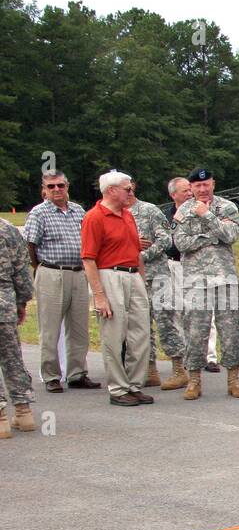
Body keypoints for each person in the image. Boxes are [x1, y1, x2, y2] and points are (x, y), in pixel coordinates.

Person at [172, 166, 239, 400]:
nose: (202, 189)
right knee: (195, 331)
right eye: (197, 186)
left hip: (225, 278)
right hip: (195, 280)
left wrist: (208, 216)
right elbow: (180, 243)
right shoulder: (183, 211)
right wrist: (210, 236)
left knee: (231, 330)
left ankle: (233, 378)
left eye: (206, 184)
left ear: (213, 184)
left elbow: (231, 236)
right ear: (191, 188)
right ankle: (193, 379)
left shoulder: (227, 207)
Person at [81, 171, 152, 406]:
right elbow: (89, 259)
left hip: (132, 275)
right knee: (114, 333)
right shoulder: (95, 217)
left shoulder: (128, 216)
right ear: (111, 190)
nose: (131, 193)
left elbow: (136, 250)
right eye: (127, 189)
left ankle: (134, 383)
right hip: (109, 274)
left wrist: (141, 280)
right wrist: (99, 296)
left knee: (141, 332)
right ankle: (118, 388)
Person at [24, 170, 97, 392]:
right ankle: (51, 375)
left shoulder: (78, 211)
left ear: (67, 187)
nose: (57, 190)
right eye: (51, 186)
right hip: (51, 271)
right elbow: (30, 246)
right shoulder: (39, 213)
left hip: (78, 271)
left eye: (60, 186)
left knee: (78, 327)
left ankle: (77, 373)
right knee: (50, 328)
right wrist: (40, 269)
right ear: (44, 190)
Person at [124, 180, 175, 389]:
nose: (126, 192)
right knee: (141, 325)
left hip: (157, 275)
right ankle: (150, 369)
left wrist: (142, 255)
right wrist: (134, 246)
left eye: (128, 188)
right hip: (134, 278)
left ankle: (179, 368)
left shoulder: (148, 210)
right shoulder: (116, 214)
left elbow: (165, 240)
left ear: (133, 188)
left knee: (166, 323)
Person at [164, 176, 215, 375]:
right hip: (175, 265)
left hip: (201, 265)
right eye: (184, 190)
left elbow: (213, 236)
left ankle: (210, 357)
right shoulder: (166, 215)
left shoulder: (202, 208)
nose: (188, 193)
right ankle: (187, 355)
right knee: (178, 311)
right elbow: (171, 241)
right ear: (173, 194)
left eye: (189, 189)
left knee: (206, 310)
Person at [0, 215, 36, 438]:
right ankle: (23, 411)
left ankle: (1, 418)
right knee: (12, 358)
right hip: (5, 301)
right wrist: (22, 301)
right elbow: (22, 268)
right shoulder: (8, 229)